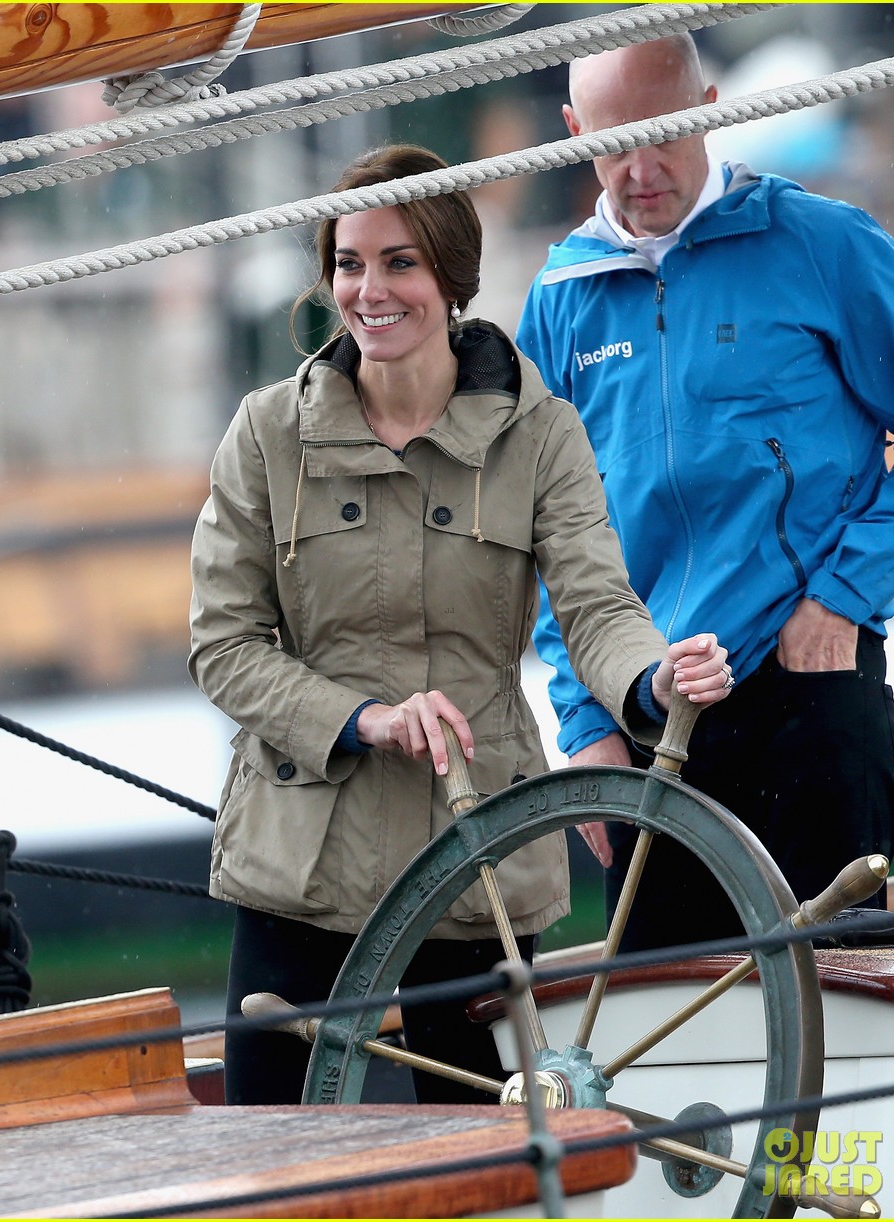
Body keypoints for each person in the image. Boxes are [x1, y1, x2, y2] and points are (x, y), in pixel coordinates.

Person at [189, 143, 733, 1106]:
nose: (371, 290)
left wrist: (655, 680)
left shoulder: (542, 433)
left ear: (452, 276)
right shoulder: (265, 434)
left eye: (400, 262)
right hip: (301, 860)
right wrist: (363, 720)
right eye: (350, 264)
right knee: (267, 1156)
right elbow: (224, 646)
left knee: (489, 1155)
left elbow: (599, 608)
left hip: (478, 852)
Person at [517, 35, 894, 952]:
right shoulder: (558, 300)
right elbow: (545, 539)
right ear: (572, 130)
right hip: (651, 721)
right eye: (616, 139)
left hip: (809, 699)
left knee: (836, 1021)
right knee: (677, 1047)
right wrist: (587, 726)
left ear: (709, 105)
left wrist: (839, 600)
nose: (642, 165)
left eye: (665, 132)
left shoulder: (822, 245)